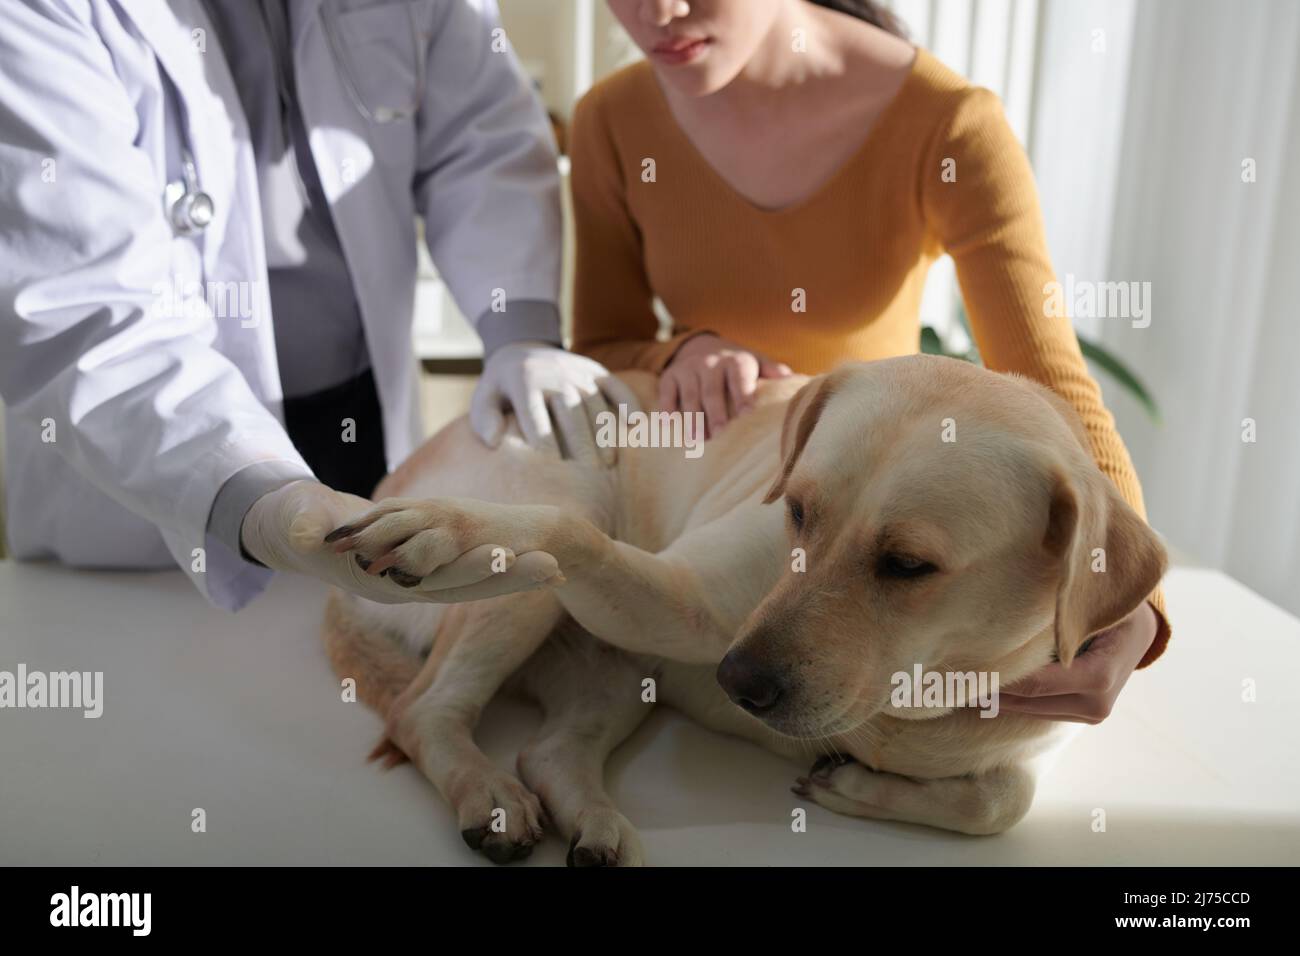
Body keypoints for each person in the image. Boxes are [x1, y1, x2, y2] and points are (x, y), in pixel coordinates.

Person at [568, 0, 1170, 723]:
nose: (658, 11)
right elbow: (601, 346)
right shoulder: (610, 118)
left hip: (890, 526)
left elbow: (1050, 384)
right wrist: (683, 348)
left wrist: (1134, 603)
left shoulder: (948, 123)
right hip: (744, 494)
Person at [0, 0, 626, 611]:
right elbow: (83, 303)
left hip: (364, 415)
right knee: (170, 690)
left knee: (342, 679)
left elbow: (479, 142)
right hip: (156, 466)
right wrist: (259, 499)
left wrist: (518, 328)